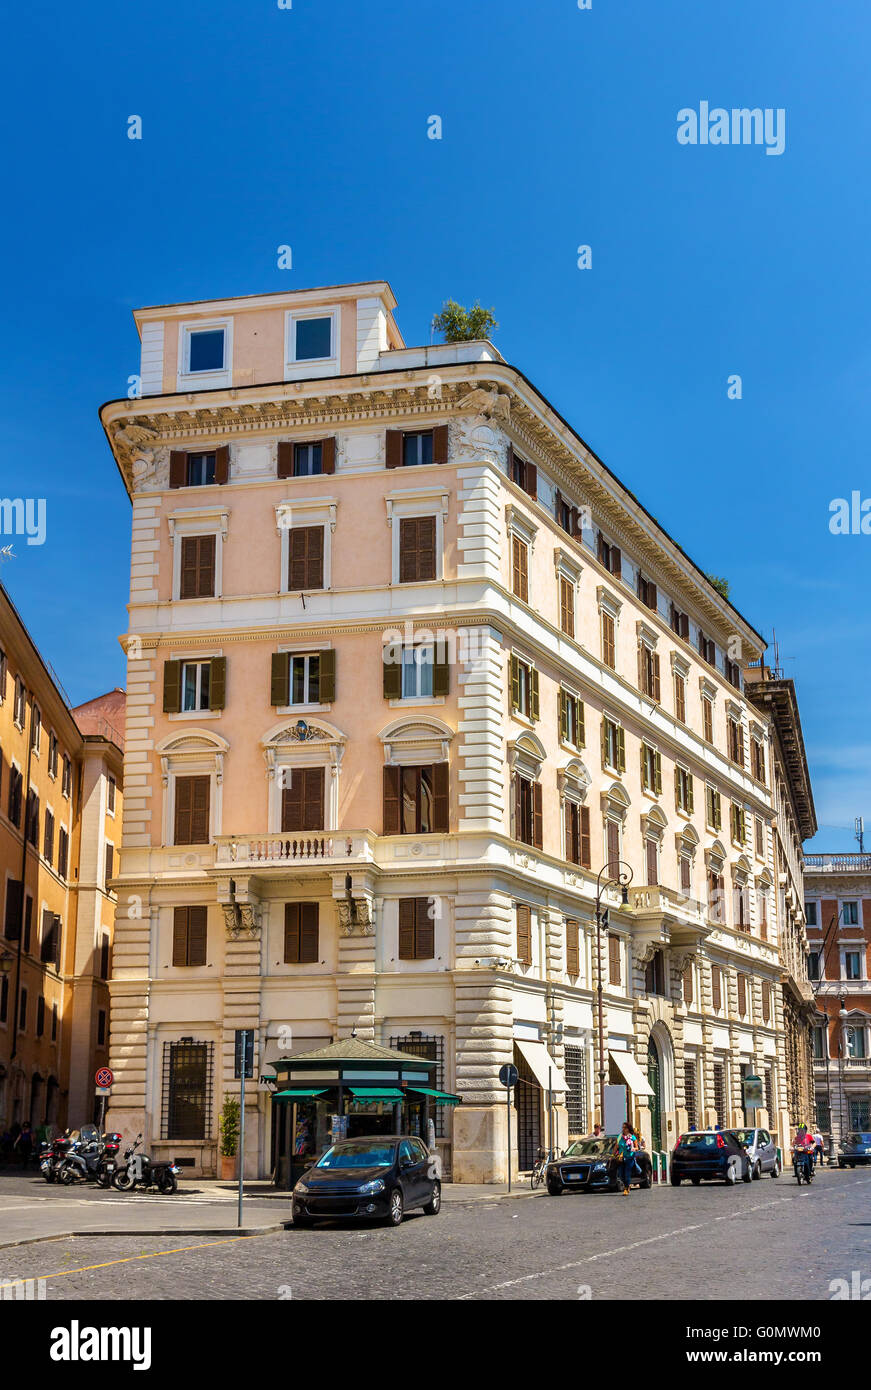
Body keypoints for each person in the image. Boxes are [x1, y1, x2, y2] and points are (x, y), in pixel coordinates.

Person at [616, 1122, 638, 1195]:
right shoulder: (619, 1137)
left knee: (627, 1173)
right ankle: (626, 1185)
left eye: (625, 1127)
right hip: (621, 1158)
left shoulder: (632, 1137)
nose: (623, 1129)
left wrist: (634, 1149)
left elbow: (637, 1147)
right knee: (620, 1174)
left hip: (629, 1158)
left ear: (628, 1129)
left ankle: (626, 1188)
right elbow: (616, 1147)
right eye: (623, 1127)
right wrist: (613, 1155)